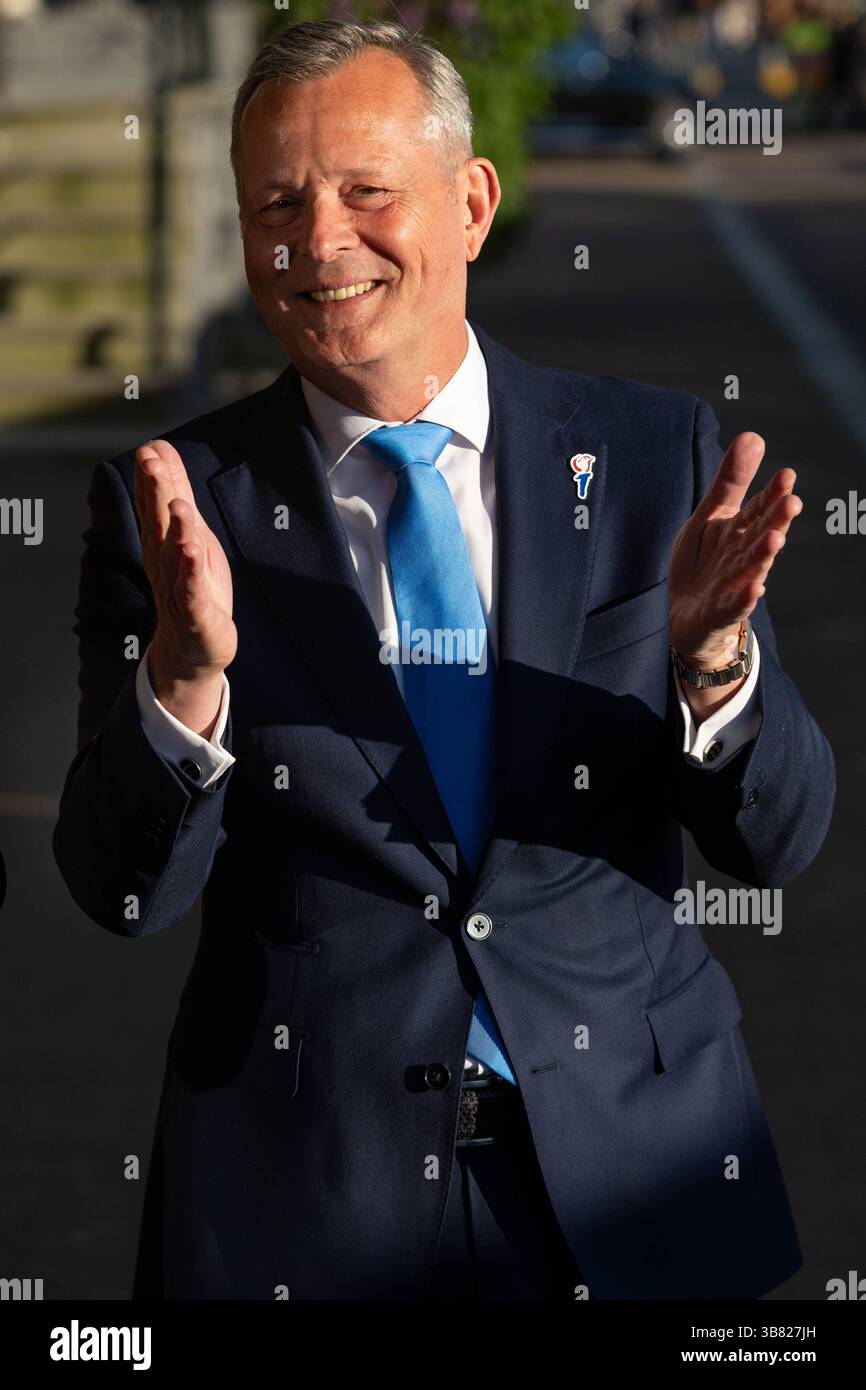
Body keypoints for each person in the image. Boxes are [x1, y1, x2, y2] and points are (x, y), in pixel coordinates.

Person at [53, 18, 834, 1301]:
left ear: (471, 204)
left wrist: (711, 665)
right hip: (303, 1203)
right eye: (277, 205)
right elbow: (117, 888)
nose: (319, 243)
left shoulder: (651, 462)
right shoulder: (175, 503)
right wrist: (185, 687)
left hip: (636, 1182)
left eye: (366, 192)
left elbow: (777, 841)